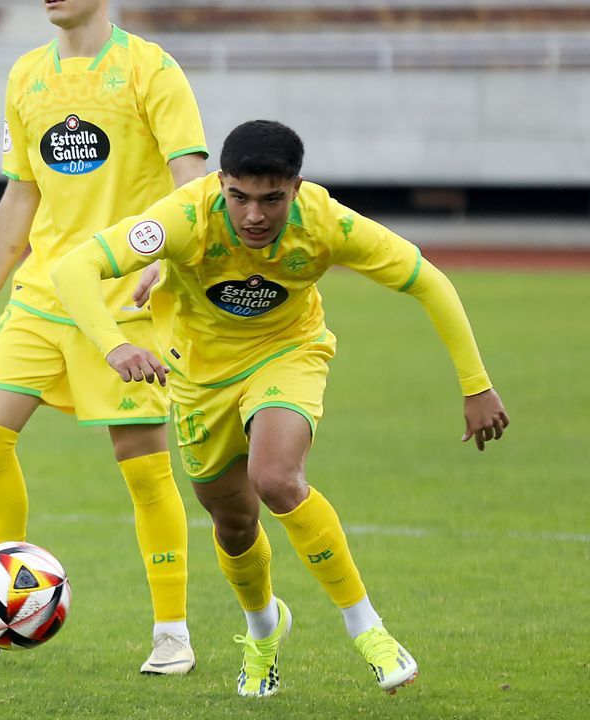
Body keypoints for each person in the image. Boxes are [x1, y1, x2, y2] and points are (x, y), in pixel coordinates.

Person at [52, 119, 510, 697]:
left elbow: (429, 281)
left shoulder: (327, 223)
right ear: (221, 183)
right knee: (233, 524)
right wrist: (115, 345)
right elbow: (74, 268)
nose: (253, 215)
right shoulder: (186, 216)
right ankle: (263, 628)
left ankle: (367, 629)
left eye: (271, 199)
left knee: (275, 478)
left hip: (287, 353)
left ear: (296, 187)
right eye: (239, 196)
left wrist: (476, 385)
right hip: (198, 377)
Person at [0, 0, 208, 673]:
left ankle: (172, 631)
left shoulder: (151, 69)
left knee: (143, 464)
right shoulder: (25, 75)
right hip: (43, 295)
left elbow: (192, 181)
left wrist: (168, 254)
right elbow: (21, 192)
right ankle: (2, 610)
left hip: (125, 299)